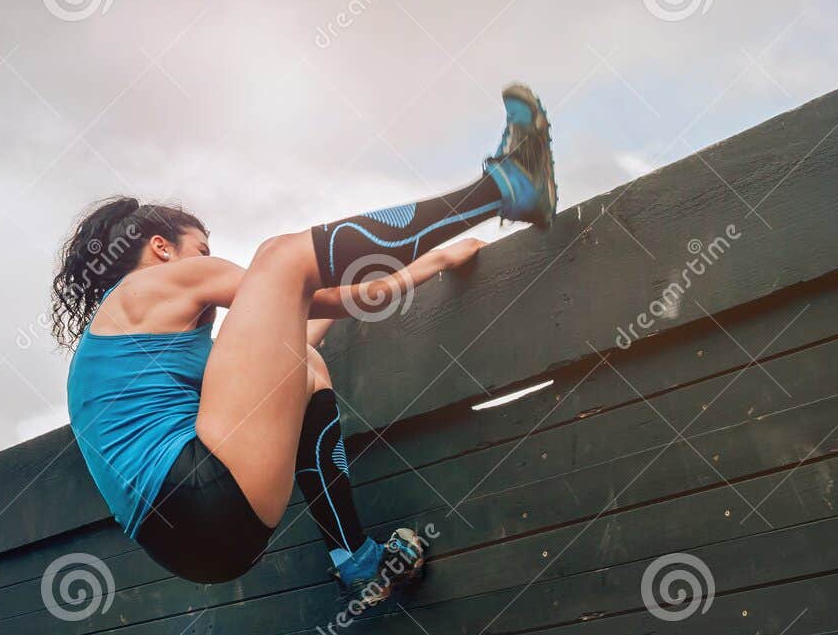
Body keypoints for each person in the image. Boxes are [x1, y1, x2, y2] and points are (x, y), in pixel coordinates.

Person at [55, 84, 555, 607]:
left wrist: (426, 267)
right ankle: (502, 188)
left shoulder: (117, 349)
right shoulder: (152, 286)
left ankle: (358, 563)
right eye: (202, 249)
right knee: (280, 255)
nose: (210, 260)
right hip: (201, 493)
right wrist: (420, 265)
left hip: (200, 546)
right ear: (162, 248)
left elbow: (295, 341)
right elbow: (311, 282)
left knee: (307, 362)